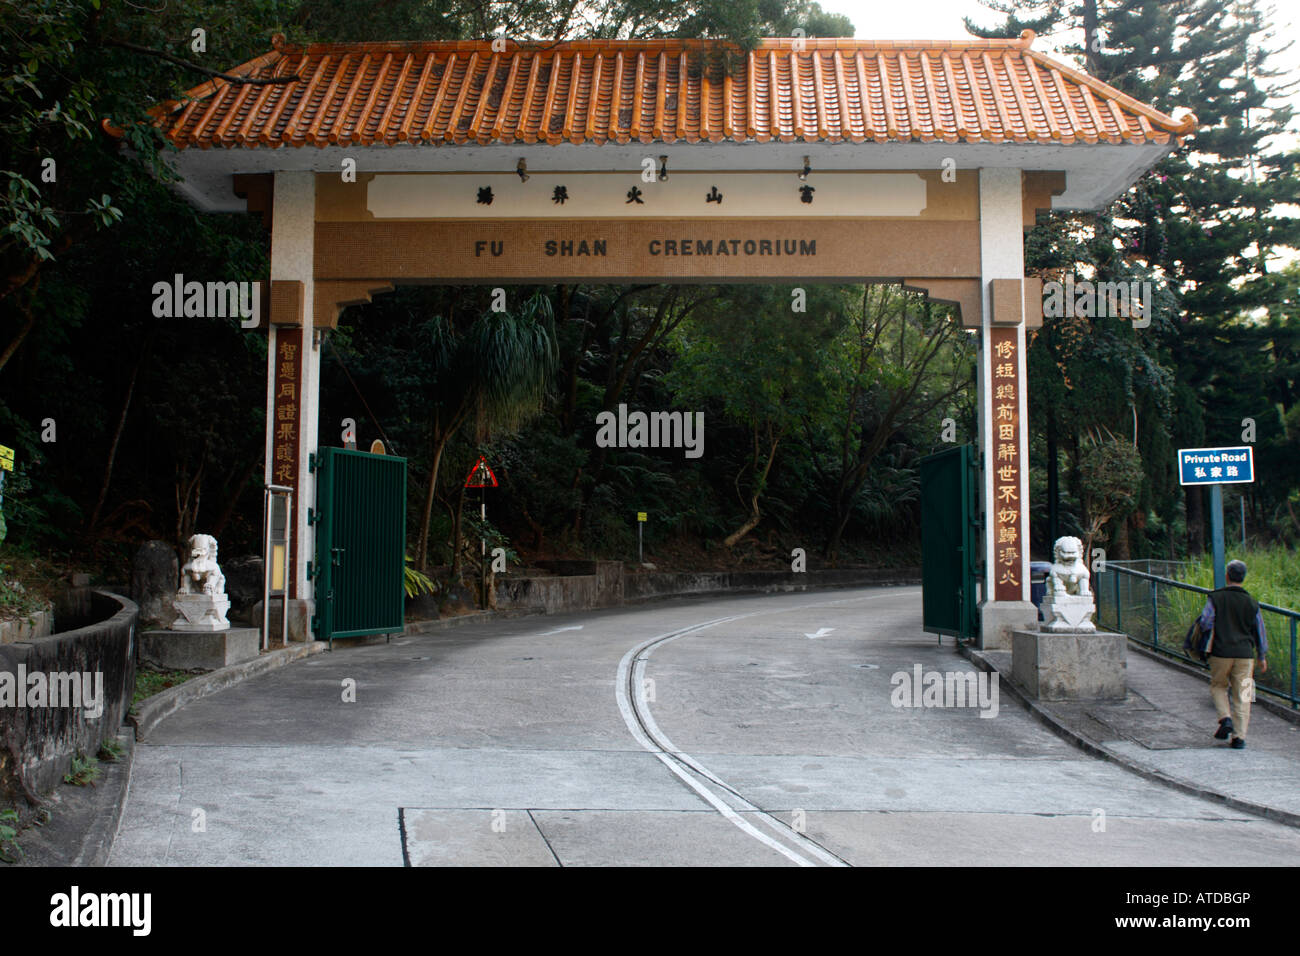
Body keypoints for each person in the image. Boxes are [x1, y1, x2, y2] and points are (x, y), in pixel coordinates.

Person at [1197, 559, 1268, 749]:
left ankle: (1225, 717)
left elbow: (1205, 622)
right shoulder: (1252, 602)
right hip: (1246, 655)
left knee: (1218, 686)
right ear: (1243, 578)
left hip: (1221, 652)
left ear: (1227, 575)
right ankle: (1239, 737)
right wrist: (1262, 655)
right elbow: (1260, 630)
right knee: (1245, 694)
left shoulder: (1216, 598)